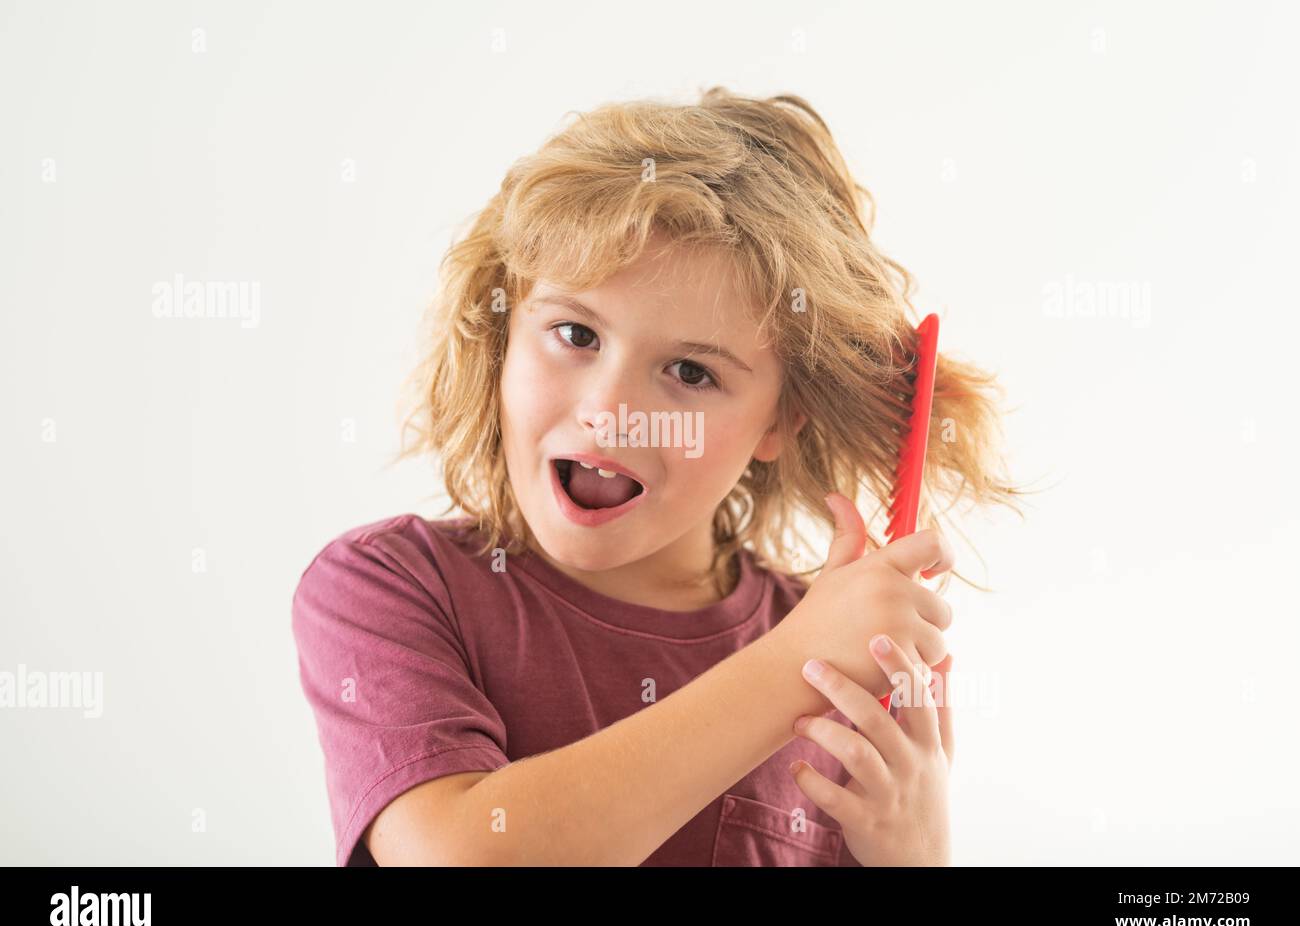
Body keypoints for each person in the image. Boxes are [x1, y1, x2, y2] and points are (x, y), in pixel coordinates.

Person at [291, 87, 1024, 866]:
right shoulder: (387, 589)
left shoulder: (844, 674)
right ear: (504, 336)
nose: (610, 413)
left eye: (690, 371)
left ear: (780, 421)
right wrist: (788, 669)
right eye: (574, 334)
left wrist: (915, 858)